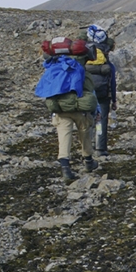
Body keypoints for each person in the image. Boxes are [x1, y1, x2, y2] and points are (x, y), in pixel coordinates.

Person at [35, 35, 99, 180]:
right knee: (85, 133)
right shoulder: (80, 69)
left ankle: (65, 168)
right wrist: (96, 111)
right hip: (79, 108)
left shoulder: (53, 66)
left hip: (60, 108)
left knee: (64, 136)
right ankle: (88, 162)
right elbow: (90, 90)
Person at [84, 24, 117, 156]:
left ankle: (88, 147)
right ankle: (100, 148)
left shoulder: (85, 54)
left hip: (87, 92)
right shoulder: (106, 59)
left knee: (87, 119)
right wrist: (114, 100)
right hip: (103, 93)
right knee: (101, 119)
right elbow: (112, 82)